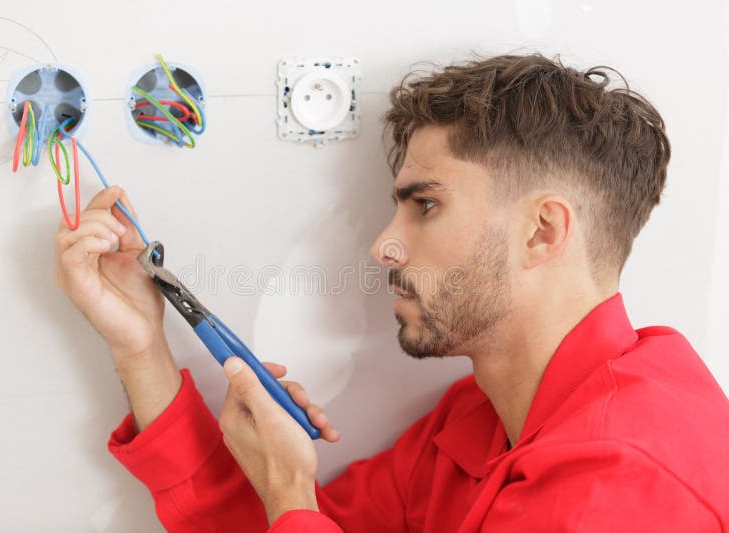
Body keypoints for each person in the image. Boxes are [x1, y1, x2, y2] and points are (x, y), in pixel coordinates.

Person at [55, 54, 729, 532]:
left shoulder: (622, 480)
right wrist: (140, 346)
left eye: (425, 205)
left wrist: (289, 486)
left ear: (542, 231)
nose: (383, 246)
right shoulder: (476, 420)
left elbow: (293, 510)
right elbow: (285, 525)